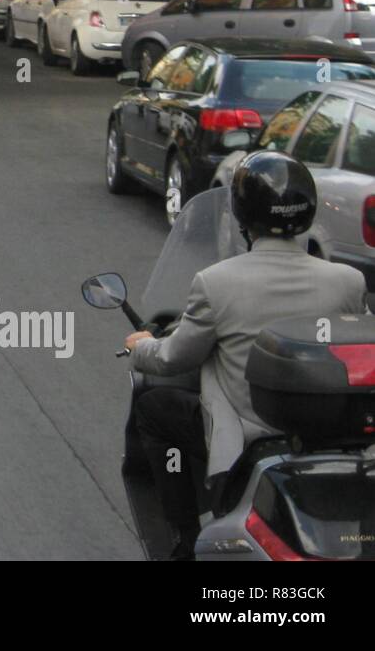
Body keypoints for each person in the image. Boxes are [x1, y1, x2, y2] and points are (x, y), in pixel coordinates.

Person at [124, 152, 366, 559]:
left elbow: (173, 359)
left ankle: (183, 538)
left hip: (245, 444)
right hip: (330, 439)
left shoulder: (216, 283)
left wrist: (140, 347)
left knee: (154, 409)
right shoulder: (348, 281)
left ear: (242, 215)